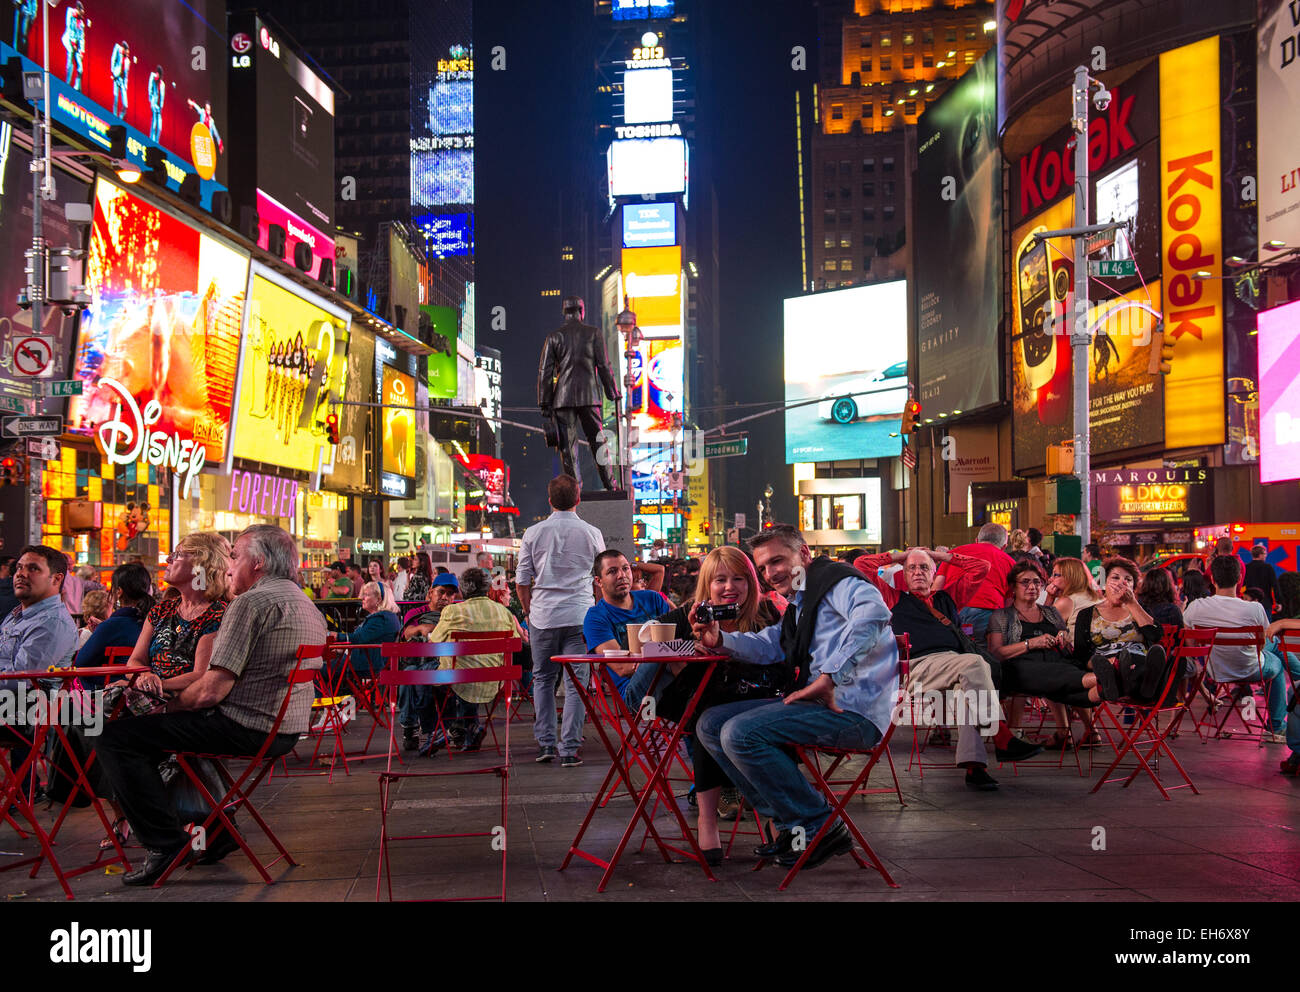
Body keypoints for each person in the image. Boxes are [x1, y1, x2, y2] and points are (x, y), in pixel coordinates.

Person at [96, 525, 327, 886]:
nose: (229, 566)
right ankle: (214, 831)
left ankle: (165, 843)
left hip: (244, 726)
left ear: (259, 563)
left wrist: (161, 706)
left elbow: (208, 693)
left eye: (235, 556)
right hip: (285, 729)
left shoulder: (249, 604)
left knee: (116, 738)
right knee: (146, 736)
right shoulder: (306, 604)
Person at [690, 526, 898, 870]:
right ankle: (790, 822)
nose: (772, 573)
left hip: (853, 712)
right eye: (765, 567)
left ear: (803, 554)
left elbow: (874, 616)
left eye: (778, 560)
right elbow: (771, 645)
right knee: (710, 724)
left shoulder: (839, 583)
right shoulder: (802, 602)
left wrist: (832, 675)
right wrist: (719, 641)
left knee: (739, 733)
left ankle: (818, 824)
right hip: (818, 705)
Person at [858, 546, 1042, 789]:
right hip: (916, 668)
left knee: (969, 690)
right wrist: (901, 556)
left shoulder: (947, 598)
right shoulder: (893, 598)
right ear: (903, 573)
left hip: (955, 666)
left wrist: (942, 557)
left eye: (924, 568)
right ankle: (1001, 735)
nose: (917, 572)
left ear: (934, 573)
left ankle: (975, 767)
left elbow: (981, 568)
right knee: (975, 663)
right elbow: (862, 565)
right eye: (911, 568)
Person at [653, 547, 786, 862]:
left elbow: (781, 663)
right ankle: (708, 818)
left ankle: (769, 814)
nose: (729, 587)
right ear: (707, 585)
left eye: (738, 578)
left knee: (726, 719)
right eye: (720, 579)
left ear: (751, 582)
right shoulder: (691, 616)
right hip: (703, 704)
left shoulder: (767, 613)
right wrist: (687, 649)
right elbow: (651, 635)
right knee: (706, 717)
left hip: (759, 701)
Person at [516, 474, 606, 765]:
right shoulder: (592, 533)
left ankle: (545, 744)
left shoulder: (533, 532)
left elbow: (521, 581)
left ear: (550, 498)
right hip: (581, 616)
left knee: (542, 679)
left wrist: (529, 612)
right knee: (577, 682)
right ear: (578, 499)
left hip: (543, 616)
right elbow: (601, 578)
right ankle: (569, 748)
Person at [986, 560, 1102, 747]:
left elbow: (1061, 634)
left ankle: (1066, 731)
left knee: (1069, 666)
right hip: (1019, 667)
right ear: (1013, 587)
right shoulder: (1001, 616)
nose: (1032, 587)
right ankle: (1100, 681)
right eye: (1025, 582)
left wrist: (1062, 636)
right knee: (1054, 673)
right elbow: (996, 653)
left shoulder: (1050, 612)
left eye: (1037, 582)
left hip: (1054, 666)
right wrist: (1030, 644)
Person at [1183, 554, 1297, 744]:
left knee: (1273, 646)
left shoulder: (1195, 608)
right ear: (1239, 579)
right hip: (1250, 668)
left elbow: (1192, 647)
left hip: (1216, 671)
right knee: (1275, 657)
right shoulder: (1255, 609)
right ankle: (1276, 726)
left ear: (1213, 579)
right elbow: (1261, 645)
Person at [422, 568, 526, 753]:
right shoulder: (504, 613)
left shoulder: (453, 611)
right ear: (487, 588)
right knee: (470, 668)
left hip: (458, 681)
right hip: (495, 680)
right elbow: (516, 643)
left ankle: (439, 730)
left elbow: (433, 642)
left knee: (429, 673)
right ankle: (468, 727)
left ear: (463, 589)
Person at [121, 534, 231, 705]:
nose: (167, 559)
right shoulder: (161, 611)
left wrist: (155, 684)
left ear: (200, 566)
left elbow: (201, 675)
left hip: (184, 706)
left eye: (177, 554)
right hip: (150, 698)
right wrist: (146, 677)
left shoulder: (218, 614)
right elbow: (134, 662)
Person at [0, 546, 80, 776]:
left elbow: (20, 679)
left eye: (33, 568)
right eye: (19, 568)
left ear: (56, 579)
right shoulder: (18, 615)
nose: (21, 574)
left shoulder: (51, 622)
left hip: (23, 713)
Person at [537, 296, 620, 490]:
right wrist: (612, 392)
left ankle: (575, 490)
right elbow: (604, 366)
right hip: (589, 396)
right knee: (598, 441)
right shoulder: (593, 334)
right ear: (582, 311)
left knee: (568, 448)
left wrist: (544, 402)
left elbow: (544, 372)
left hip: (562, 399)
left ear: (564, 313)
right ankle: (610, 484)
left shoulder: (554, 337)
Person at [1069, 558, 1172, 706]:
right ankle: (1132, 687)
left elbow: (1156, 635)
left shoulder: (1138, 609)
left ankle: (1138, 687)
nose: (1121, 583)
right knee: (1114, 664)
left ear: (1133, 586)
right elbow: (1081, 655)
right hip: (1108, 663)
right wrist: (1111, 662)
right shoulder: (1087, 614)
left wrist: (1132, 603)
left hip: (1139, 662)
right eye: (1115, 578)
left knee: (1144, 657)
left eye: (1128, 579)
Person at [584, 550, 674, 709]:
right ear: (599, 581)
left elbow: (679, 638)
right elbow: (623, 667)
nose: (622, 575)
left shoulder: (652, 598)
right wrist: (666, 653)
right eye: (612, 571)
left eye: (626, 568)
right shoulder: (595, 617)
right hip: (635, 694)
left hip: (672, 680)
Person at [397, 574, 461, 751]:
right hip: (419, 663)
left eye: (450, 594)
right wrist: (420, 628)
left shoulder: (457, 614)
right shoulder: (416, 613)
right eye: (441, 592)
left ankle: (431, 729)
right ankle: (412, 728)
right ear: (430, 593)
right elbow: (407, 633)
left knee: (415, 675)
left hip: (448, 666)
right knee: (411, 673)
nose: (445, 598)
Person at [74, 563, 153, 686]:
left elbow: (80, 663)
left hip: (106, 695)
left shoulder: (112, 626)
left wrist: (102, 630)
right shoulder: (155, 623)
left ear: (119, 592)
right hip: (145, 692)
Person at [944, 523, 1016, 646]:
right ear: (1004, 547)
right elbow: (1009, 600)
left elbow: (937, 586)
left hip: (951, 612)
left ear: (976, 540)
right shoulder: (1009, 562)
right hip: (988, 613)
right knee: (984, 654)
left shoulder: (952, 554)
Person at [332, 581, 401, 681]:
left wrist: (336, 636)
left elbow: (359, 639)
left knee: (318, 669)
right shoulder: (386, 616)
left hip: (367, 666)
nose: (362, 598)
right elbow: (369, 641)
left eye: (367, 595)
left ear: (379, 599)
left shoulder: (381, 618)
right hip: (369, 662)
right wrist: (344, 649)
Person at [1045, 557, 1101, 641]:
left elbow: (1043, 630)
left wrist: (1050, 597)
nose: (1050, 579)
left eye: (1055, 575)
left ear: (1070, 577)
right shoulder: (1094, 595)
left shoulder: (1066, 602)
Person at [1137, 566, 1184, 631]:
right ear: (1167, 586)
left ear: (1145, 585)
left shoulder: (1138, 608)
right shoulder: (1172, 610)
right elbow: (1179, 636)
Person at [1244, 545, 1282, 615]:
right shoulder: (1268, 567)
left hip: (1250, 603)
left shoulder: (1246, 567)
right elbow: (1275, 585)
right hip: (1266, 603)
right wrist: (1278, 601)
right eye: (1265, 554)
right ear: (1260, 555)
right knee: (1266, 625)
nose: (1266, 556)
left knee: (1252, 625)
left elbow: (1242, 583)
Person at [110, 39, 130, 117]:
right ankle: (114, 117)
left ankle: (120, 118)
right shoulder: (118, 49)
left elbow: (126, 75)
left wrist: (125, 86)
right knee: (116, 99)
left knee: (125, 105)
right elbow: (113, 59)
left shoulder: (128, 61)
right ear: (124, 49)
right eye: (127, 51)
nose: (128, 53)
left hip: (122, 82)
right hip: (116, 77)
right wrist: (113, 72)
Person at [148, 65, 165, 143]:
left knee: (160, 127)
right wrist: (151, 100)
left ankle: (156, 142)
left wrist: (160, 107)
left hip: (159, 107)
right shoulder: (153, 77)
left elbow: (162, 97)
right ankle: (151, 140)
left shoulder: (162, 84)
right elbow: (150, 89)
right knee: (154, 123)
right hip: (154, 103)